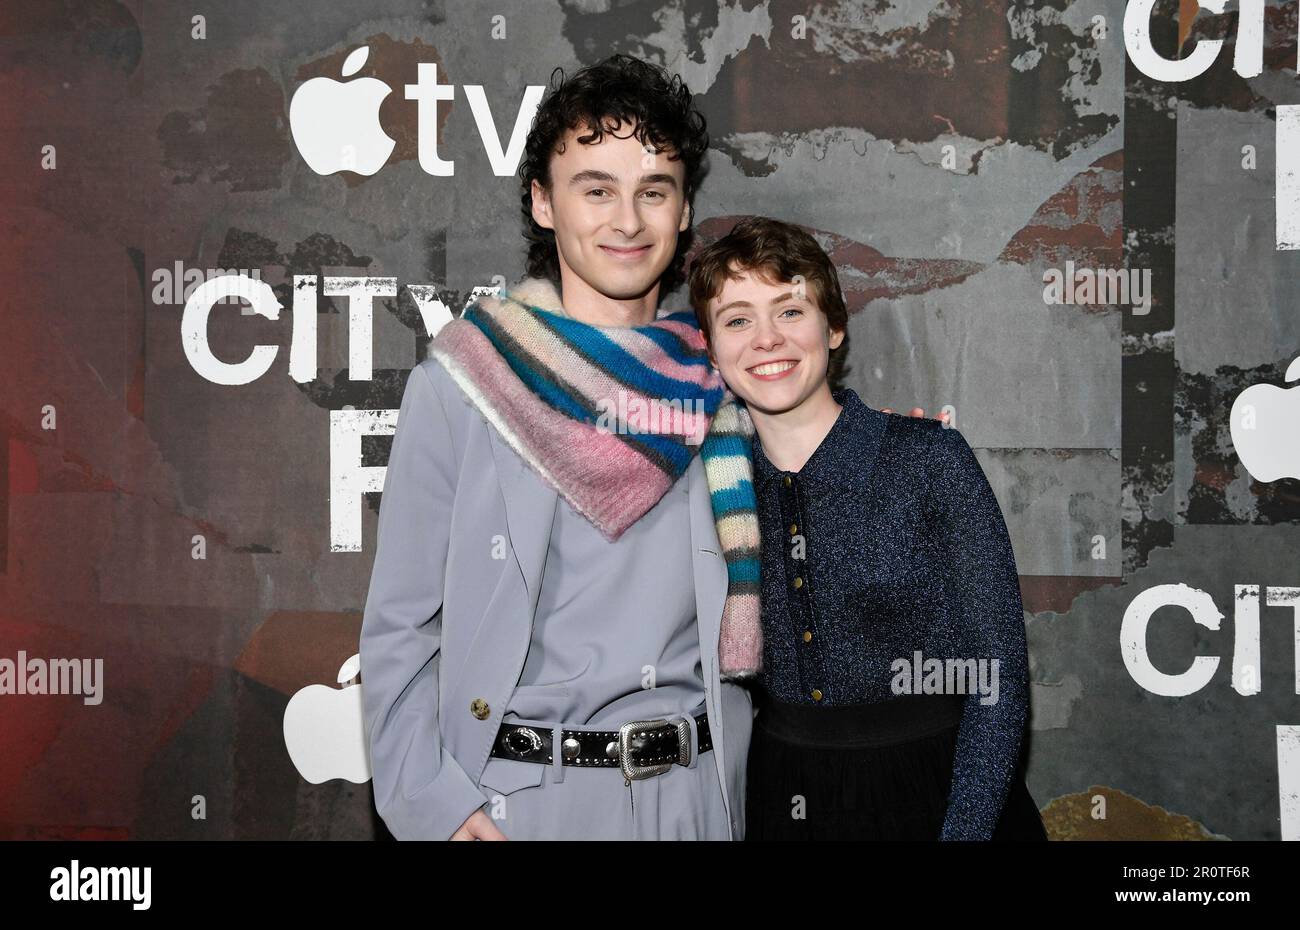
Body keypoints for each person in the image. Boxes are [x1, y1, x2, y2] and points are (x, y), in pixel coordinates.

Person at [688, 216, 1048, 840]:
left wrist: (963, 833)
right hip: (784, 797)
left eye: (790, 311)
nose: (766, 340)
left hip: (939, 792)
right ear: (712, 348)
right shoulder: (706, 489)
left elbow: (999, 679)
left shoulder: (928, 458)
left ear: (833, 328)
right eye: (738, 319)